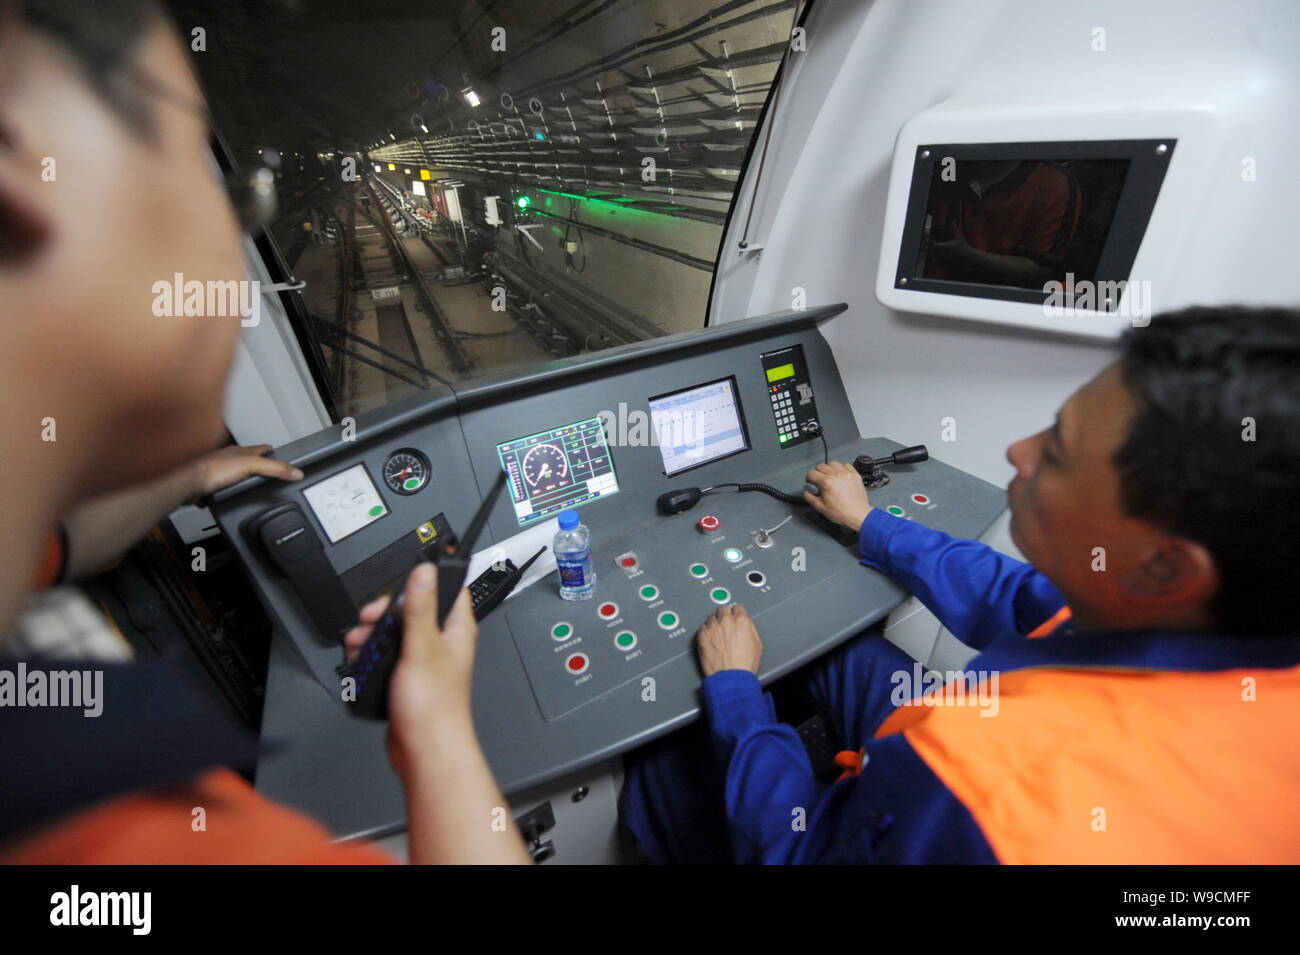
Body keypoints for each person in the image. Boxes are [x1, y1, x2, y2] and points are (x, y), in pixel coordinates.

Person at [0, 0, 527, 864]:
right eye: (232, 189)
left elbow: (54, 542)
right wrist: (434, 733)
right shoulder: (121, 838)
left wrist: (185, 479)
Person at [622, 305, 1300, 864]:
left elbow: (802, 851)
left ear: (1164, 567)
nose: (1019, 451)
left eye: (1056, 451)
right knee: (837, 649)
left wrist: (739, 697)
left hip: (950, 793)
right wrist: (871, 524)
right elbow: (1017, 599)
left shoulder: (992, 784)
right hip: (969, 747)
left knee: (659, 756)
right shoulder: (1213, 627)